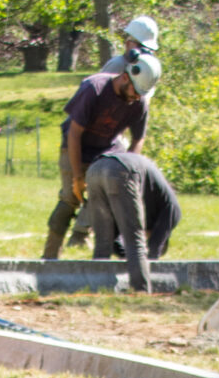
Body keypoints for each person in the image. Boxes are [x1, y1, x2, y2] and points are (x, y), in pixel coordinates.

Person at [44, 53, 162, 260]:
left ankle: (100, 257)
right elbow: (74, 134)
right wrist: (77, 177)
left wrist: (128, 168)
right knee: (70, 199)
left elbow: (138, 139)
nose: (137, 98)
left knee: (108, 199)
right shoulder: (94, 88)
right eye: (135, 91)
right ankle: (49, 258)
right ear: (125, 77)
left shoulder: (139, 102)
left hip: (107, 152)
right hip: (76, 147)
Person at [68, 17, 161, 252]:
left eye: (148, 49)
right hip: (100, 134)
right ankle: (81, 232)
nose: (144, 52)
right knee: (92, 184)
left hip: (116, 135)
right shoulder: (117, 65)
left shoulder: (148, 68)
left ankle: (106, 236)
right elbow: (101, 102)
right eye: (141, 47)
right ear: (129, 43)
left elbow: (139, 111)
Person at [85, 148, 182, 293]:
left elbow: (114, 241)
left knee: (102, 242)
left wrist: (126, 256)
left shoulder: (151, 197)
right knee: (136, 242)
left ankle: (96, 290)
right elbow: (153, 250)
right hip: (122, 170)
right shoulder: (171, 211)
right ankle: (141, 291)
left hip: (95, 170)